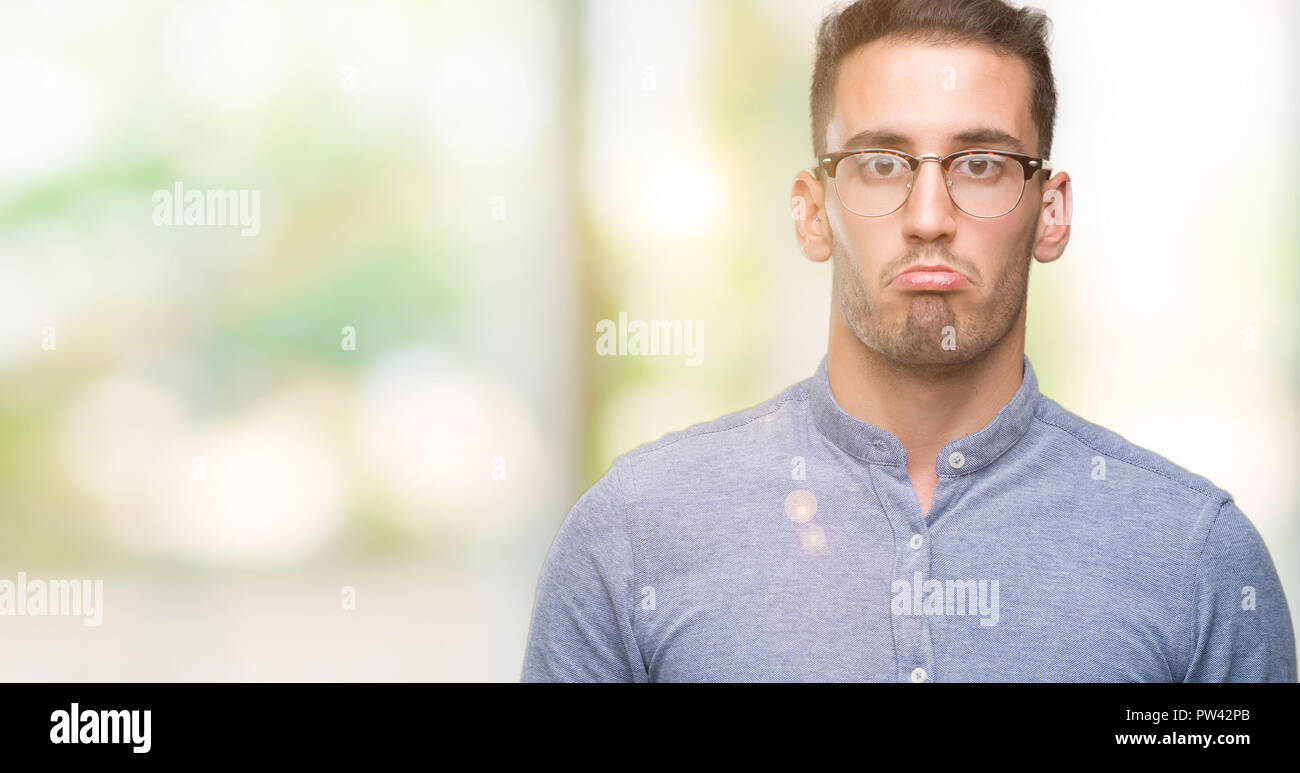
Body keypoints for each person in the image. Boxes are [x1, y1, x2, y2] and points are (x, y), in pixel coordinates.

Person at [521, 0, 1296, 682]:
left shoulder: (1198, 560)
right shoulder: (632, 536)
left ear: (1051, 213)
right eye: (881, 162)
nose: (930, 215)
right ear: (812, 211)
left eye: (982, 163)